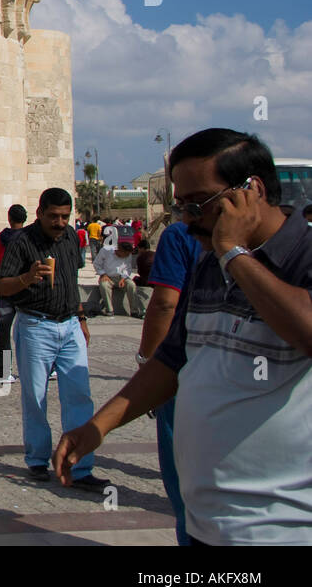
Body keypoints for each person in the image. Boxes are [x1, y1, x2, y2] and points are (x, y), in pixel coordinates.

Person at [54, 128, 312, 543]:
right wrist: (98, 426)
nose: (189, 221)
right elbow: (174, 360)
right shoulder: (211, 264)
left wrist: (234, 254)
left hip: (283, 530)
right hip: (205, 525)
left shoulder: (293, 256)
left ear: (252, 191)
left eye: (200, 205)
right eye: (181, 207)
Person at [0, 188, 108, 491]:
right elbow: (1, 287)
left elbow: (72, 282)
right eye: (54, 216)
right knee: (35, 395)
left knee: (79, 394)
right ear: (40, 213)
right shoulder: (22, 242)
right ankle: (37, 460)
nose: (60, 222)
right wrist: (27, 278)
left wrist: (82, 319)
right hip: (35, 325)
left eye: (65, 216)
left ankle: (80, 465)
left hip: (69, 324)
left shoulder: (71, 237)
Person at [134, 220, 202, 546]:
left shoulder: (182, 233)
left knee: (184, 481)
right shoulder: (282, 234)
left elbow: (164, 303)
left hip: (182, 369)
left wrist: (147, 363)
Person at [0, 204, 28, 382]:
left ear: (9, 218)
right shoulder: (29, 237)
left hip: (4, 288)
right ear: (24, 219)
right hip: (25, 288)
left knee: (3, 329)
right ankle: (41, 368)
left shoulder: (0, 237)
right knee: (31, 329)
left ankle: (3, 371)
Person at [93, 239, 144, 317]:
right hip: (107, 276)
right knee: (104, 286)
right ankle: (109, 310)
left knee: (131, 285)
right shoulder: (106, 251)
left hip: (121, 277)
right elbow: (97, 264)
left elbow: (128, 268)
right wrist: (103, 274)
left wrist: (123, 278)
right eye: (125, 254)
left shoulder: (128, 255)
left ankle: (134, 311)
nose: (126, 256)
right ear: (119, 250)